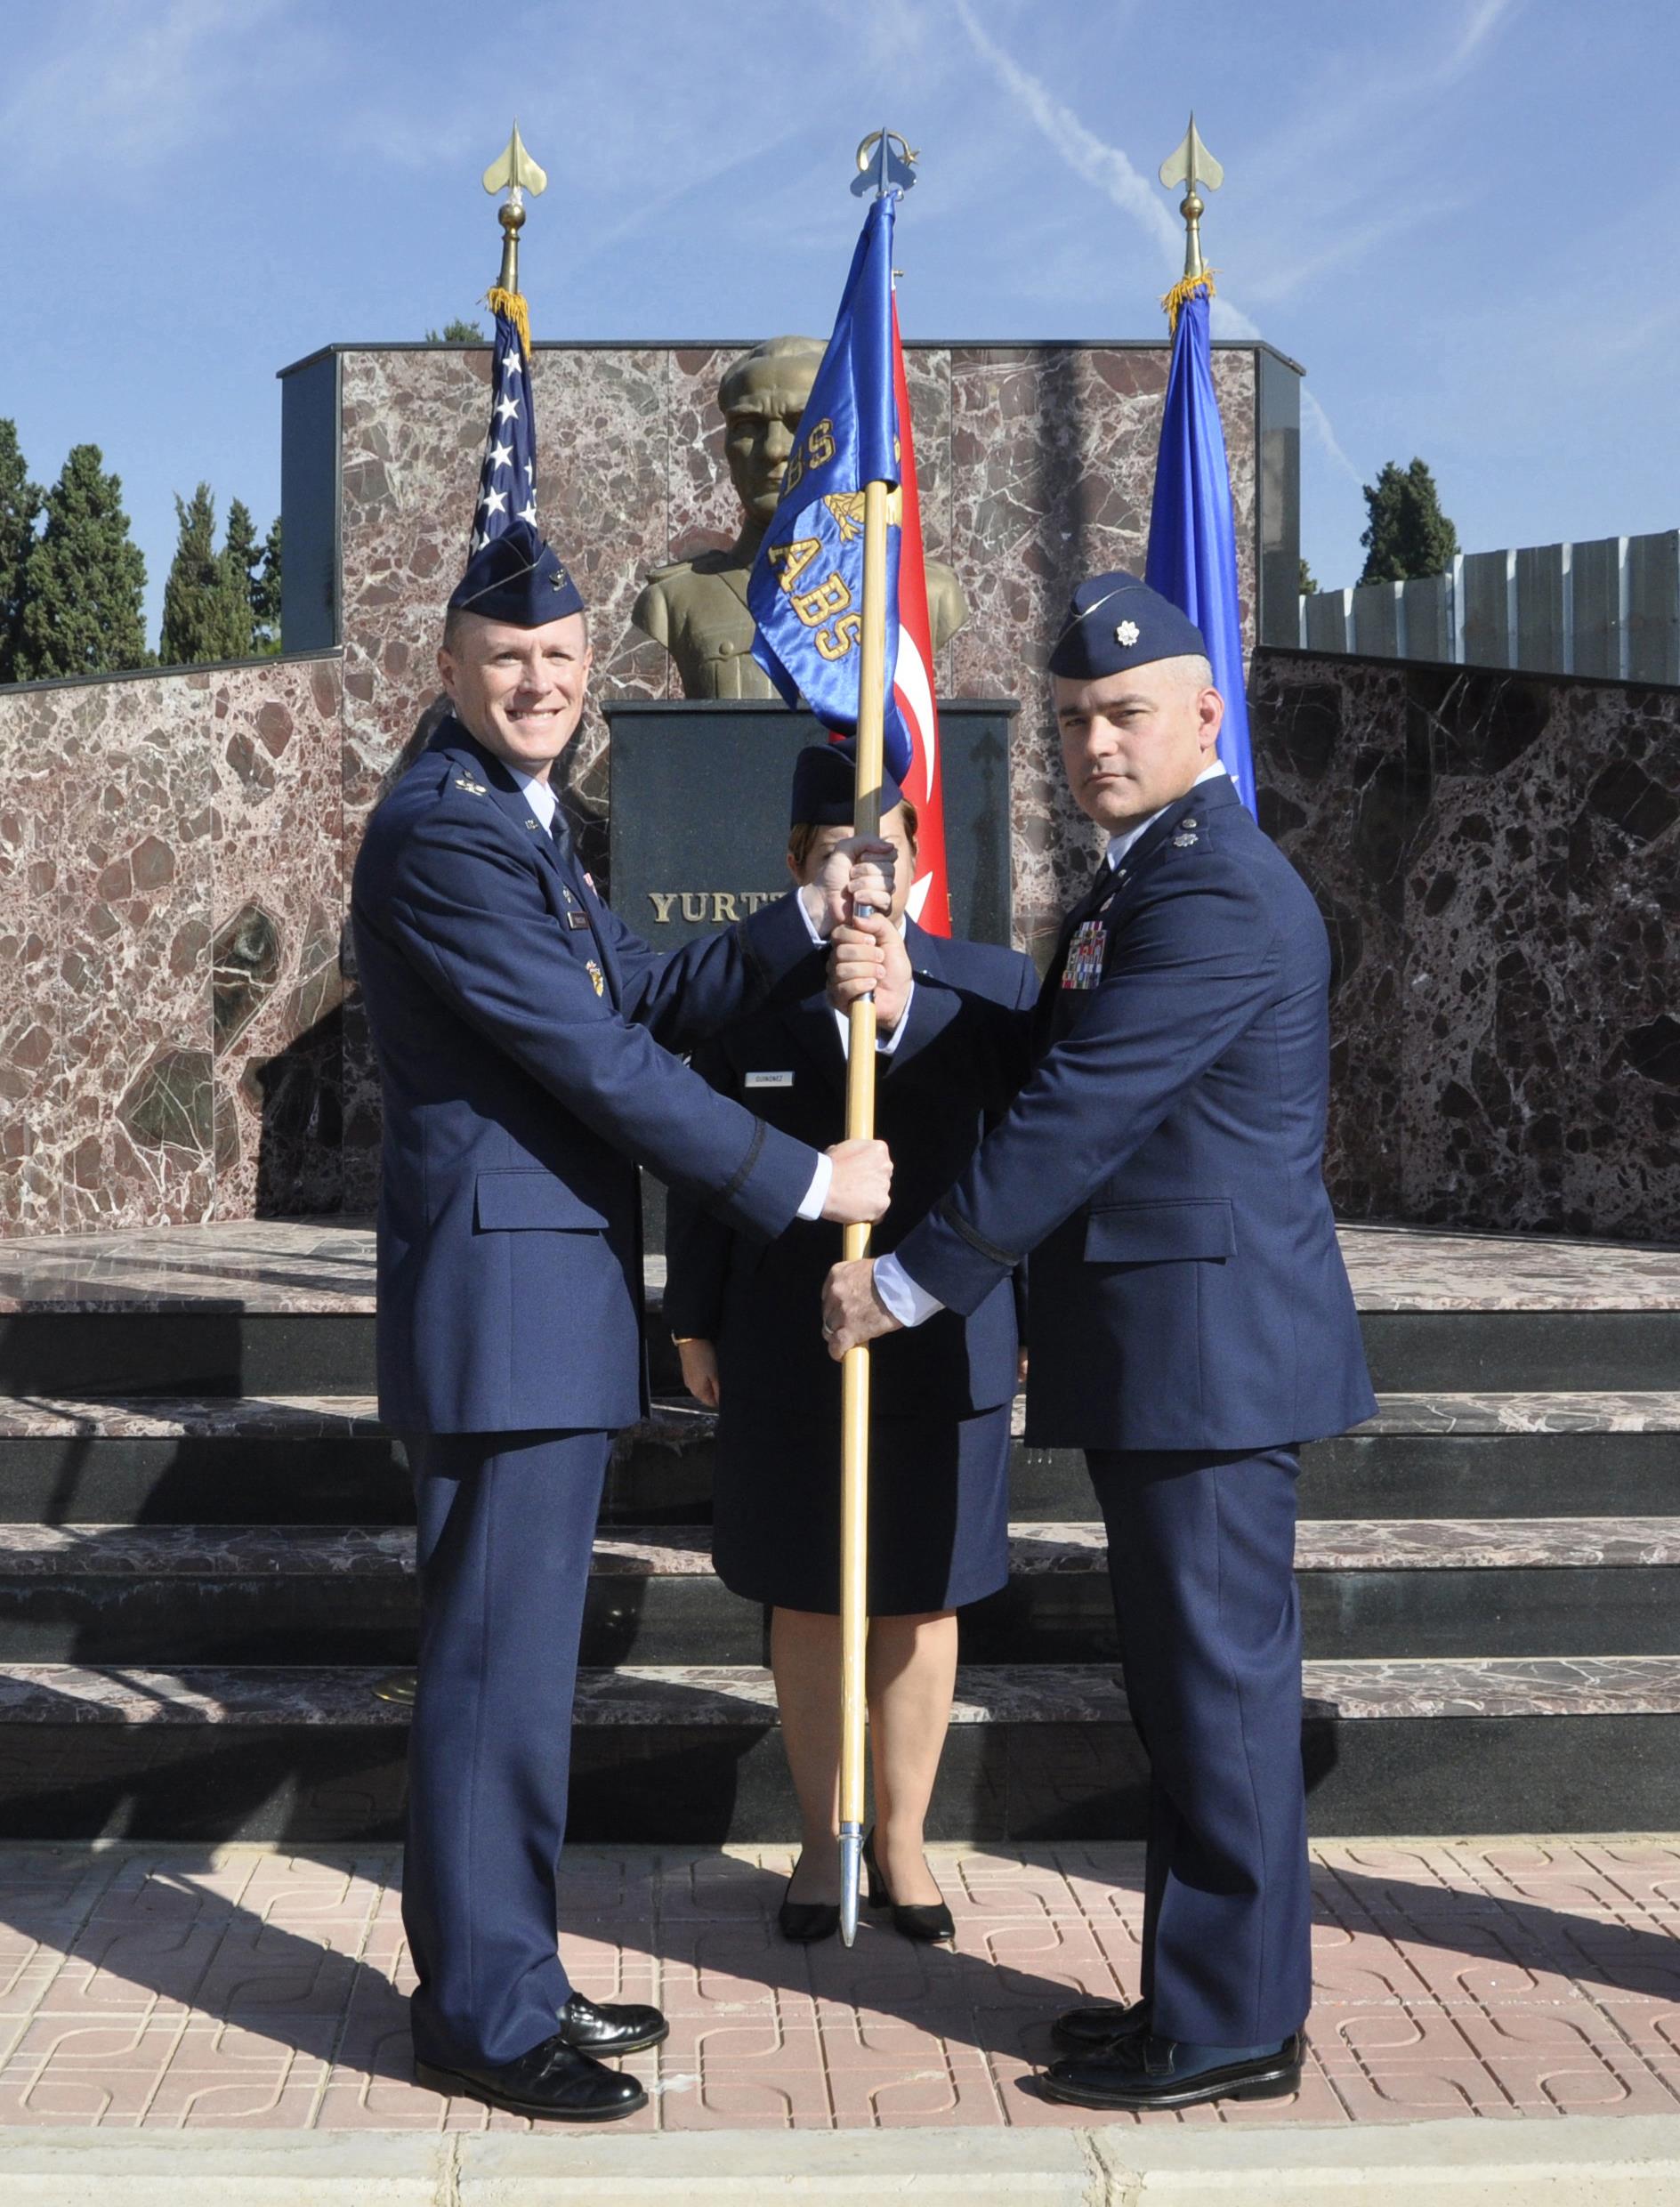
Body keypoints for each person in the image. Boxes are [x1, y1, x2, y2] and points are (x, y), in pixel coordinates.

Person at [350, 521, 893, 2124]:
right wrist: (805, 1182)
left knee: (519, 1674)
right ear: (450, 668)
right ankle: (483, 2016)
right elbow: (597, 1064)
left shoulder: (521, 820)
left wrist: (804, 914)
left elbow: (640, 993)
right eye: (507, 657)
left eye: (561, 659)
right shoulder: (442, 834)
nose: (538, 682)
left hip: (540, 1303)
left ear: (591, 674)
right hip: (503, 1310)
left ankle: (506, 1969)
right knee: (494, 1676)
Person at [823, 570, 1377, 2113]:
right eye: (1071, 720)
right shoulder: (1144, 881)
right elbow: (1052, 1036)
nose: (1093, 743)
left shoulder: (1212, 889)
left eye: (1124, 713)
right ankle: (1193, 1996)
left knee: (1216, 1695)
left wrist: (911, 1283)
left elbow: (1080, 1108)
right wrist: (909, 974)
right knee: (1185, 1697)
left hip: (1207, 1358)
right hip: (1169, 1353)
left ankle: (1232, 2024)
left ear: (1206, 716)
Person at [665, 742, 1038, 1942]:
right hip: (788, 1341)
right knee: (810, 1596)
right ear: (799, 866)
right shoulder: (747, 997)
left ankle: (903, 1839)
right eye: (839, 858)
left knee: (922, 1595)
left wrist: (904, 1010)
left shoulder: (990, 993)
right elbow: (702, 1166)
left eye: (885, 856)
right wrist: (694, 1318)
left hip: (947, 1342)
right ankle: (823, 1837)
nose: (864, 882)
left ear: (919, 866)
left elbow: (1038, 1154)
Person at [632, 335, 965, 697]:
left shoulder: (922, 592)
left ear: (847, 439)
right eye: (748, 425)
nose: (773, 449)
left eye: (801, 423)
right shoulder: (676, 599)